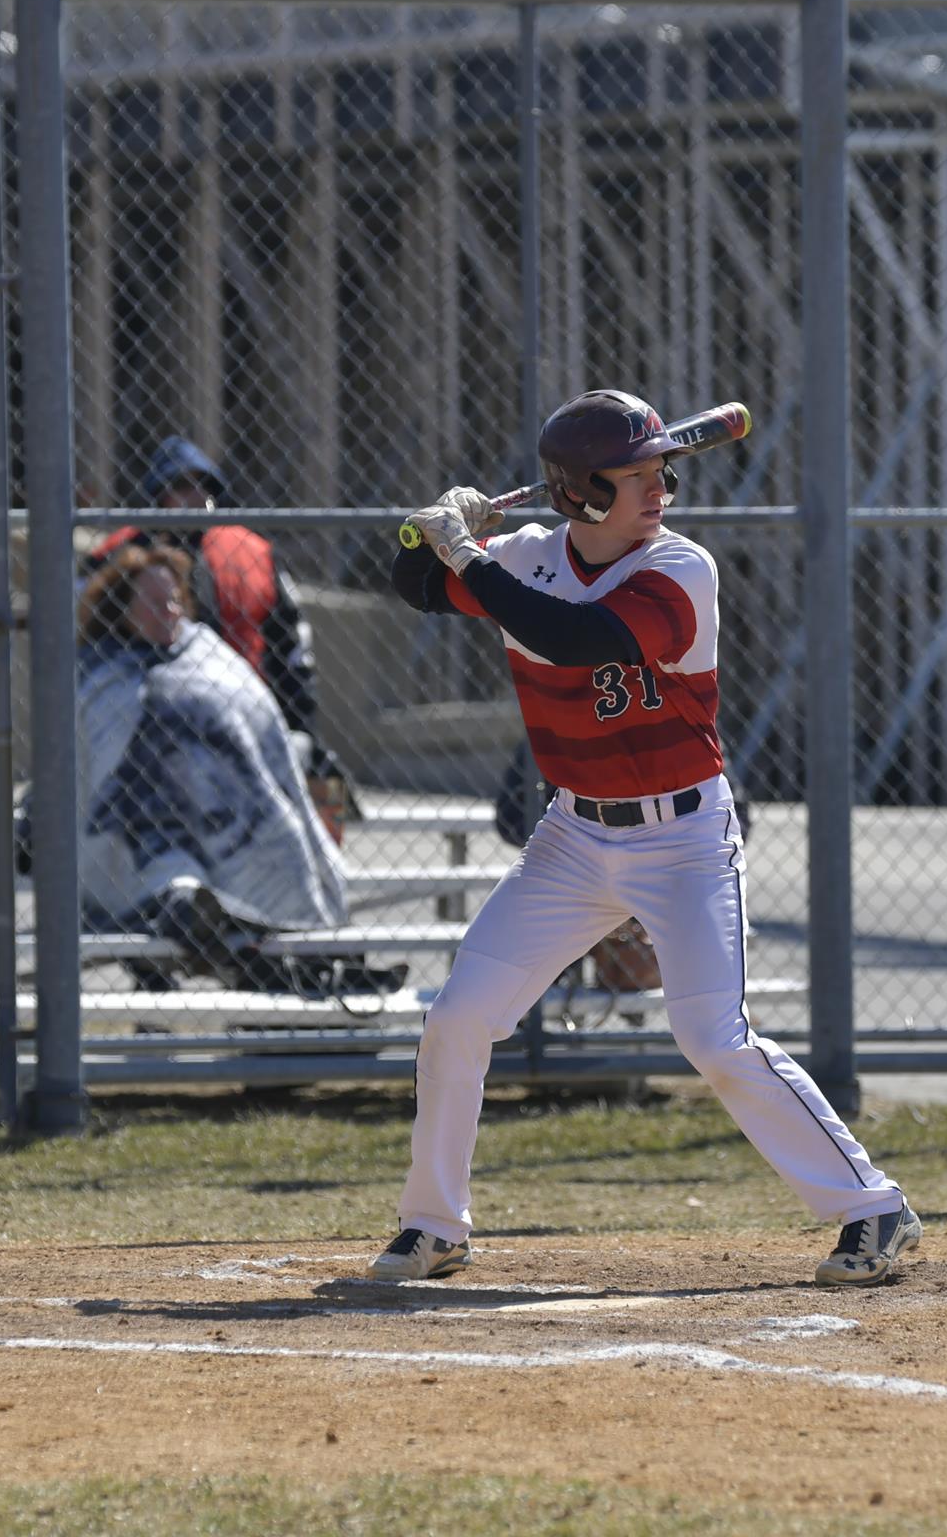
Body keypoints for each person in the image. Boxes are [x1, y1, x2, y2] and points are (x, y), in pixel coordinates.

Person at [373, 388, 917, 1288]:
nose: (661, 488)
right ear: (580, 494)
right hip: (573, 836)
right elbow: (417, 587)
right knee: (459, 1016)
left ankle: (874, 1207)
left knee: (714, 1036)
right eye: (635, 476)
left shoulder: (680, 568)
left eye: (660, 470)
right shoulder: (526, 556)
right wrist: (427, 533)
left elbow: (574, 637)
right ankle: (434, 1227)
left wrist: (464, 551)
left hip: (684, 838)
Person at [74, 541, 397, 995]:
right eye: (152, 601)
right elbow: (87, 763)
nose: (167, 610)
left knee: (285, 845)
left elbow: (260, 733)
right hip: (144, 828)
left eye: (173, 599)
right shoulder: (99, 674)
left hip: (233, 817)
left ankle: (319, 967)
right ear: (121, 609)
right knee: (174, 886)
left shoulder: (210, 657)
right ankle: (213, 930)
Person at [92, 437, 353, 841]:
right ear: (157, 495)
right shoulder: (120, 556)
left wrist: (301, 725)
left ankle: (314, 863)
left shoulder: (252, 553)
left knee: (318, 776)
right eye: (180, 486)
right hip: (143, 722)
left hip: (245, 719)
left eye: (204, 486)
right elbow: (87, 639)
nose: (195, 497)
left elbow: (290, 648)